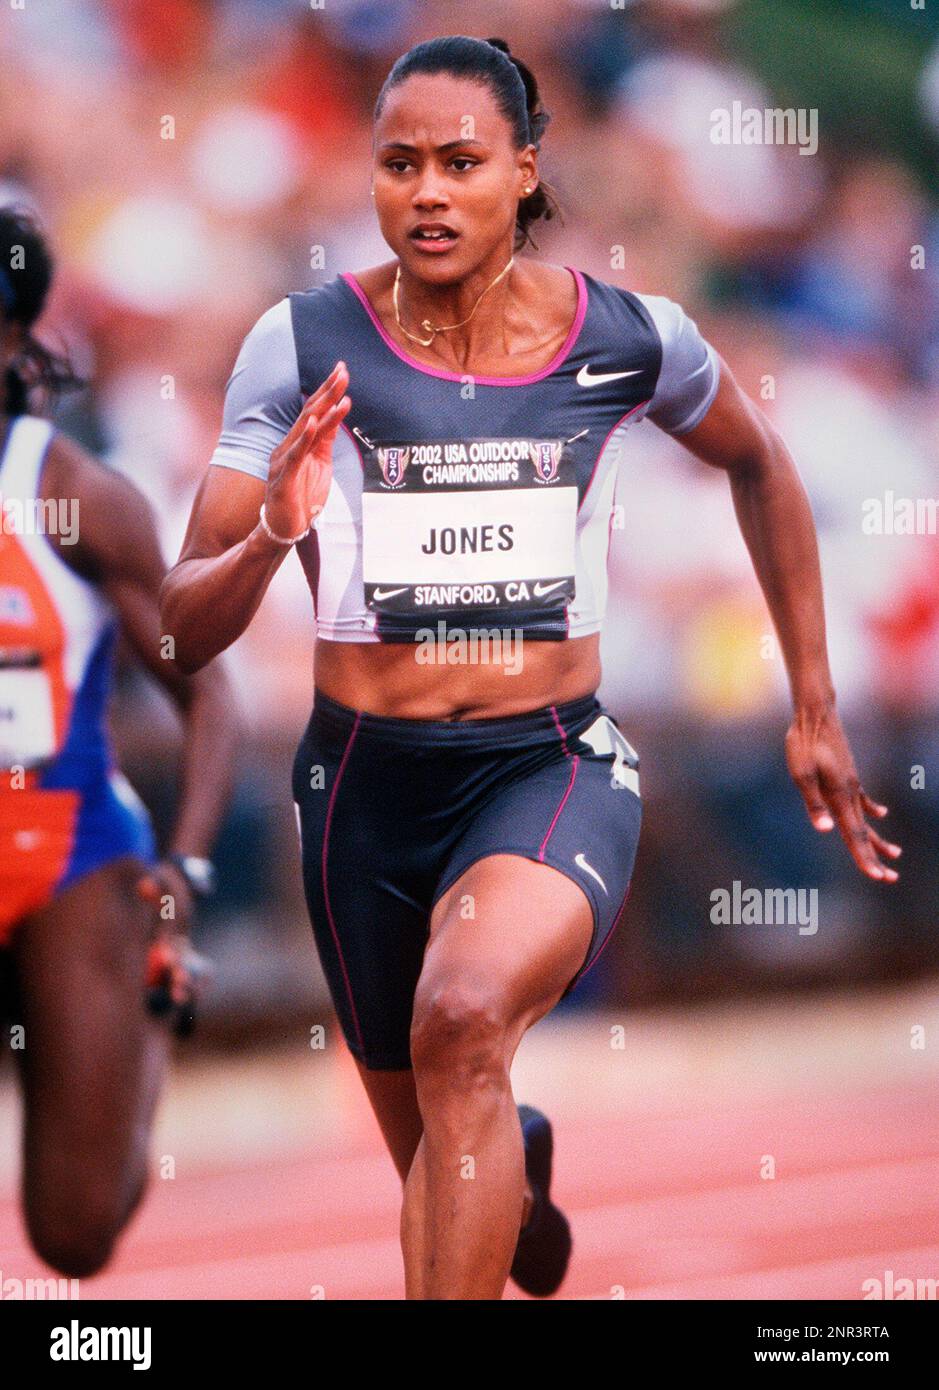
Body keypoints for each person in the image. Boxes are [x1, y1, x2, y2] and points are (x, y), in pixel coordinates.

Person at [160, 36, 901, 1300]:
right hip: (361, 791)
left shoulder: (623, 339)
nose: (429, 193)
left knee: (459, 1027)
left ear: (524, 172)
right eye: (400, 165)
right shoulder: (298, 347)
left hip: (547, 761)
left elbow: (761, 461)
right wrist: (280, 528)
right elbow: (179, 624)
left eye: (461, 163)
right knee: (445, 1140)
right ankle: (523, 1171)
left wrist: (814, 703)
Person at [0, 205, 237, 1277]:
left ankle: (145, 1011)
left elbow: (207, 696)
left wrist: (184, 860)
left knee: (74, 1235)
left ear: (12, 340)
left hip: (66, 854)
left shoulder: (69, 497)